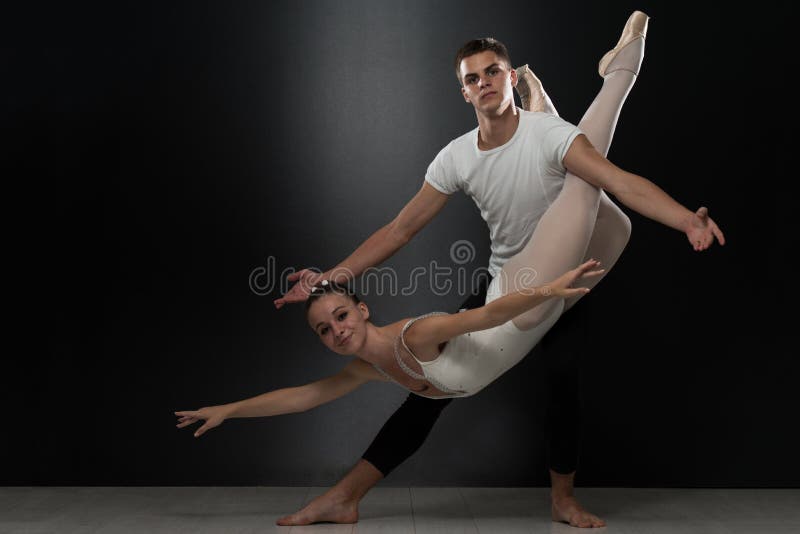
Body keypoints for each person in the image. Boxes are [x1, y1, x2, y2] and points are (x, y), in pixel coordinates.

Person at [177, 10, 725, 528]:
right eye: (472, 78)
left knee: (587, 179)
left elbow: (612, 190)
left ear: (508, 77)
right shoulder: (456, 159)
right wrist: (232, 407)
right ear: (463, 91)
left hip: (546, 275)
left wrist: (684, 220)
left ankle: (621, 70)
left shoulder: (415, 335)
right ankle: (344, 496)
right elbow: (397, 234)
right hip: (531, 271)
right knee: (437, 396)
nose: (483, 83)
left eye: (493, 73)